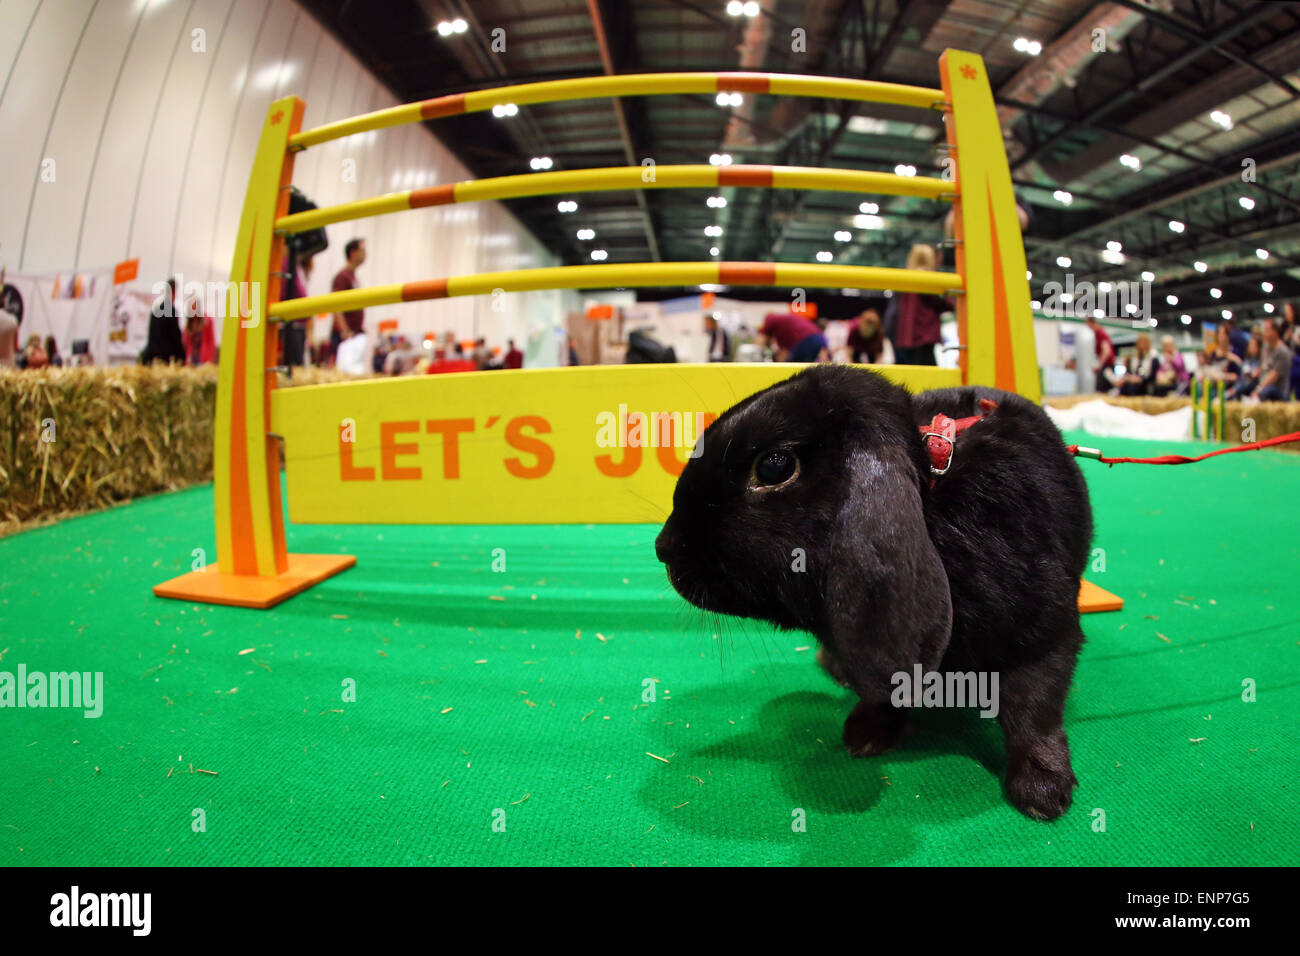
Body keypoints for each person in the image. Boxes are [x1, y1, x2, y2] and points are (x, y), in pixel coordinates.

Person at [887, 245, 949, 366]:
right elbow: (942, 302)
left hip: (902, 334)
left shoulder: (903, 277)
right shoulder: (928, 277)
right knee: (927, 372)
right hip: (923, 334)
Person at [330, 239, 366, 362]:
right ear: (352, 253)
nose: (365, 254)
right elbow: (336, 306)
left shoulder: (352, 277)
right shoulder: (342, 277)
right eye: (362, 251)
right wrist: (345, 331)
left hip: (353, 334)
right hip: (345, 336)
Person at [141, 277, 186, 365]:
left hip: (152, 357)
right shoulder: (171, 311)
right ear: (173, 292)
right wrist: (182, 356)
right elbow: (175, 336)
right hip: (165, 359)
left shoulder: (156, 309)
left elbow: (151, 335)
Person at [758, 311, 827, 362]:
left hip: (807, 339)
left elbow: (760, 341)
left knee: (792, 367)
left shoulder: (771, 319)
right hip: (819, 337)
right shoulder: (783, 328)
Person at [1252, 319, 1293, 401]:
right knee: (1246, 385)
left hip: (1278, 389)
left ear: (1275, 332)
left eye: (1267, 330)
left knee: (1265, 392)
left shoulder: (1283, 351)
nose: (1264, 333)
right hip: (1263, 383)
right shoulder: (1266, 347)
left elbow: (1274, 376)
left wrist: (1259, 389)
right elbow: (1263, 365)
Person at [1084, 315, 1116, 392]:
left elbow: (1106, 351)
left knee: (1102, 390)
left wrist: (1099, 365)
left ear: (1090, 323)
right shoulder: (1097, 334)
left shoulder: (1100, 333)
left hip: (1106, 366)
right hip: (1105, 366)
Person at [183, 298, 216, 365]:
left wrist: (210, 358)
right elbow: (187, 343)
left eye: (195, 309)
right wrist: (188, 357)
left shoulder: (207, 321)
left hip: (204, 359)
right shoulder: (189, 324)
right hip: (192, 359)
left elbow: (211, 341)